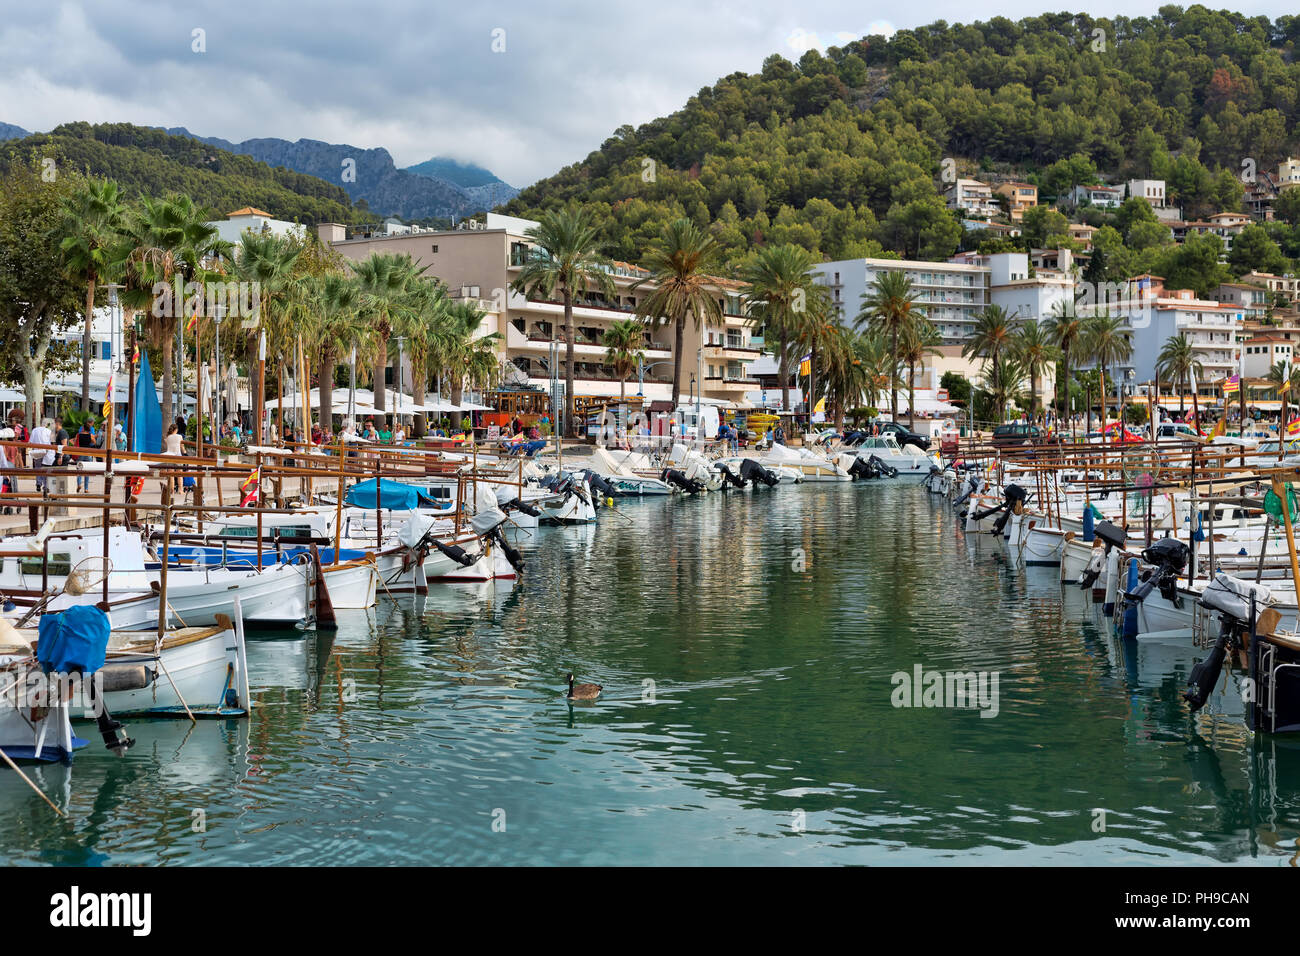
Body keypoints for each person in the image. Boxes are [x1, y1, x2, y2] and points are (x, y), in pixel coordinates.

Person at [30, 418, 54, 491]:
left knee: (38, 468)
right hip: (46, 452)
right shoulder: (49, 431)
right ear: (46, 424)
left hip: (37, 451)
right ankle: (45, 485)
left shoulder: (34, 430)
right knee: (45, 468)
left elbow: (31, 442)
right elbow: (52, 442)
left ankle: (38, 483)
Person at [74, 421, 96, 492]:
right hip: (88, 454)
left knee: (79, 470)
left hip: (80, 453)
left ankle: (79, 484)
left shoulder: (78, 435)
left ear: (83, 428)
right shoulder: (90, 435)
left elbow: (75, 442)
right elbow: (94, 442)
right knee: (87, 471)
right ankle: (86, 488)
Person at [164, 423, 183, 492]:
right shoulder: (179, 436)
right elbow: (182, 446)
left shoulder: (167, 437)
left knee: (171, 474)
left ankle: (172, 490)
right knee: (179, 474)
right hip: (178, 455)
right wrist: (185, 452)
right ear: (176, 430)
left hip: (169, 455)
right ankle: (180, 490)